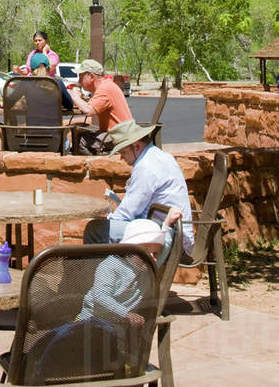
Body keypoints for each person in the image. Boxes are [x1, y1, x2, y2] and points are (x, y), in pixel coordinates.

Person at [83, 120, 194, 258]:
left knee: (95, 230)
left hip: (169, 237)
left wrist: (109, 221)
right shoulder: (158, 156)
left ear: (136, 146)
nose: (121, 158)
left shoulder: (146, 166)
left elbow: (127, 213)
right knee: (105, 228)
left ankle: (96, 278)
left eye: (123, 151)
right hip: (174, 232)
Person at [78, 208, 184, 322]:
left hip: (118, 321)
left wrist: (167, 223)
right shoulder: (111, 265)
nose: (152, 258)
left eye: (155, 253)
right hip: (92, 318)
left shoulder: (148, 265)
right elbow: (100, 296)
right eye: (145, 252)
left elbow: (165, 246)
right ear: (129, 249)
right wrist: (126, 314)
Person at [65, 59, 131, 152]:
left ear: (91, 76)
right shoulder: (107, 85)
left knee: (81, 140)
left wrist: (74, 96)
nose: (79, 81)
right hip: (122, 133)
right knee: (81, 129)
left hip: (118, 136)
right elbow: (90, 106)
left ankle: (90, 165)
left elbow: (88, 110)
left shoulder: (104, 89)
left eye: (81, 77)